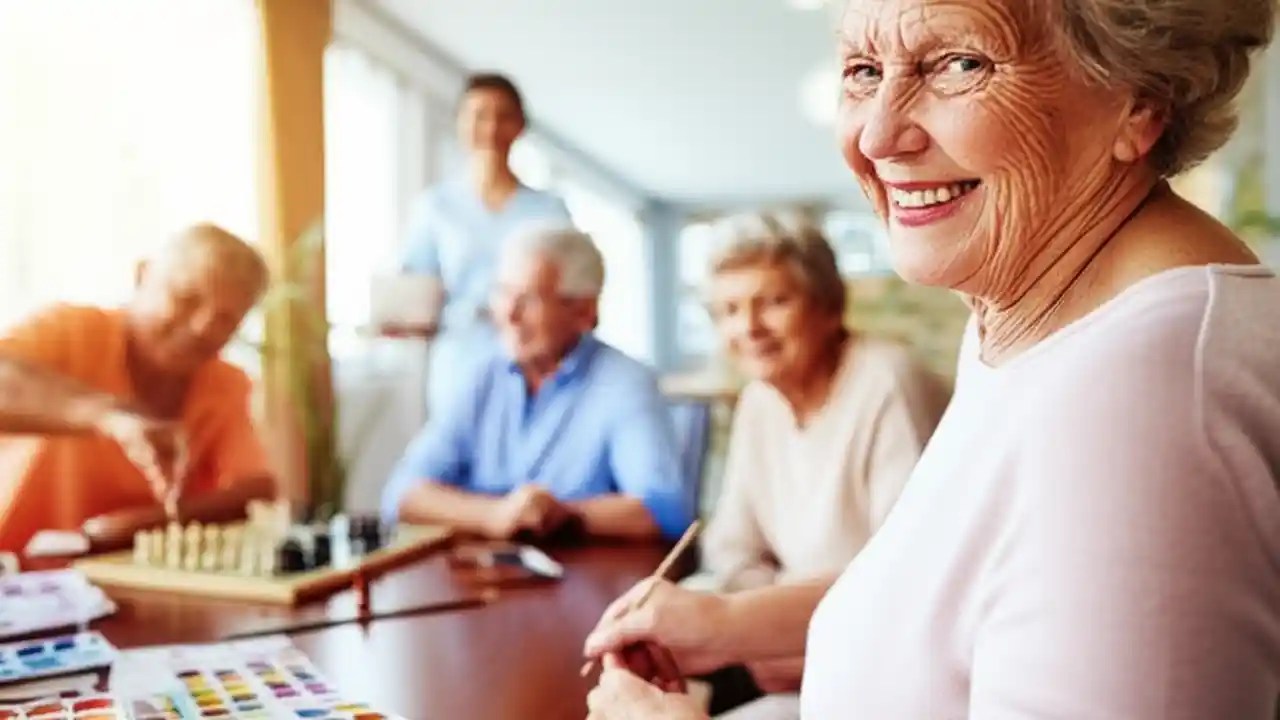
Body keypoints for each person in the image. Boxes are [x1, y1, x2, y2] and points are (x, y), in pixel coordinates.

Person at [582, 0, 1280, 718]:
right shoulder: (1032, 321)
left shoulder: (1144, 413)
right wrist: (729, 624)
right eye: (861, 71)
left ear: (1140, 100)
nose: (876, 136)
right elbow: (956, 599)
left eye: (959, 63)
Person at [690, 212, 945, 715]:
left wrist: (801, 639)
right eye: (729, 310)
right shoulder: (760, 399)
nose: (749, 328)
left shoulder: (888, 382)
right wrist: (771, 627)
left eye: (775, 302)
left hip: (878, 666)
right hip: (791, 644)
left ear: (830, 308)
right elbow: (731, 545)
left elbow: (911, 581)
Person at [382, 223, 693, 542]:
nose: (509, 314)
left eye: (529, 299)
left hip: (583, 582)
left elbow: (664, 512)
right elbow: (401, 494)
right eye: (502, 292)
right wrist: (495, 516)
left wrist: (563, 515)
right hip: (481, 576)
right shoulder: (480, 375)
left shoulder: (625, 383)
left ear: (584, 311)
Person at [0, 224, 276, 553]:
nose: (202, 327)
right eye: (187, 299)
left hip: (129, 579)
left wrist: (131, 527)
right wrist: (109, 416)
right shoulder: (69, 330)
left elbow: (255, 488)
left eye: (226, 320)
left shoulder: (226, 382)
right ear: (143, 275)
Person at [399, 73, 571, 414]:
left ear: (520, 126)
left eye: (504, 116)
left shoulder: (548, 209)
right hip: (459, 357)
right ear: (460, 123)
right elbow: (416, 289)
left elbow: (569, 287)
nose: (491, 127)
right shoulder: (435, 207)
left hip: (533, 353)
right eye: (479, 115)